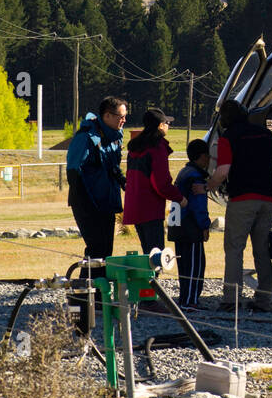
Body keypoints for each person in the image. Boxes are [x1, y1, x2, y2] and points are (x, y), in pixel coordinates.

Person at [208, 99, 272, 313]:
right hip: (268, 198)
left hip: (242, 198)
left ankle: (231, 300)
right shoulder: (265, 134)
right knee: (262, 250)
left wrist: (208, 186)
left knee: (234, 250)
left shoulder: (228, 138)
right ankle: (264, 300)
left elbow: (223, 171)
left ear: (224, 119)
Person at [65, 96, 128, 261]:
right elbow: (73, 170)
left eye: (125, 116)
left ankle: (100, 287)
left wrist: (124, 182)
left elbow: (111, 166)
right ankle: (86, 285)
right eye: (120, 116)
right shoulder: (85, 137)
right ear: (107, 115)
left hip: (106, 202)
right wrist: (85, 202)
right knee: (96, 250)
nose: (124, 120)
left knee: (106, 252)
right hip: (88, 203)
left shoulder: (114, 137)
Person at [122, 108, 187, 255]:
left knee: (147, 254)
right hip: (150, 208)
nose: (168, 126)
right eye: (167, 123)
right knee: (156, 256)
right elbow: (161, 184)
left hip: (135, 207)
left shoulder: (135, 147)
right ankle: (153, 278)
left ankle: (148, 278)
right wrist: (180, 198)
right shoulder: (157, 148)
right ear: (160, 125)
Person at [170, 139, 212, 311]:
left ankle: (184, 298)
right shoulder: (196, 177)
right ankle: (191, 300)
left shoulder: (183, 172)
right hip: (191, 226)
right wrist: (205, 225)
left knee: (184, 265)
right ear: (202, 157)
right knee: (195, 265)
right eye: (208, 156)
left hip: (177, 223)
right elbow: (198, 205)